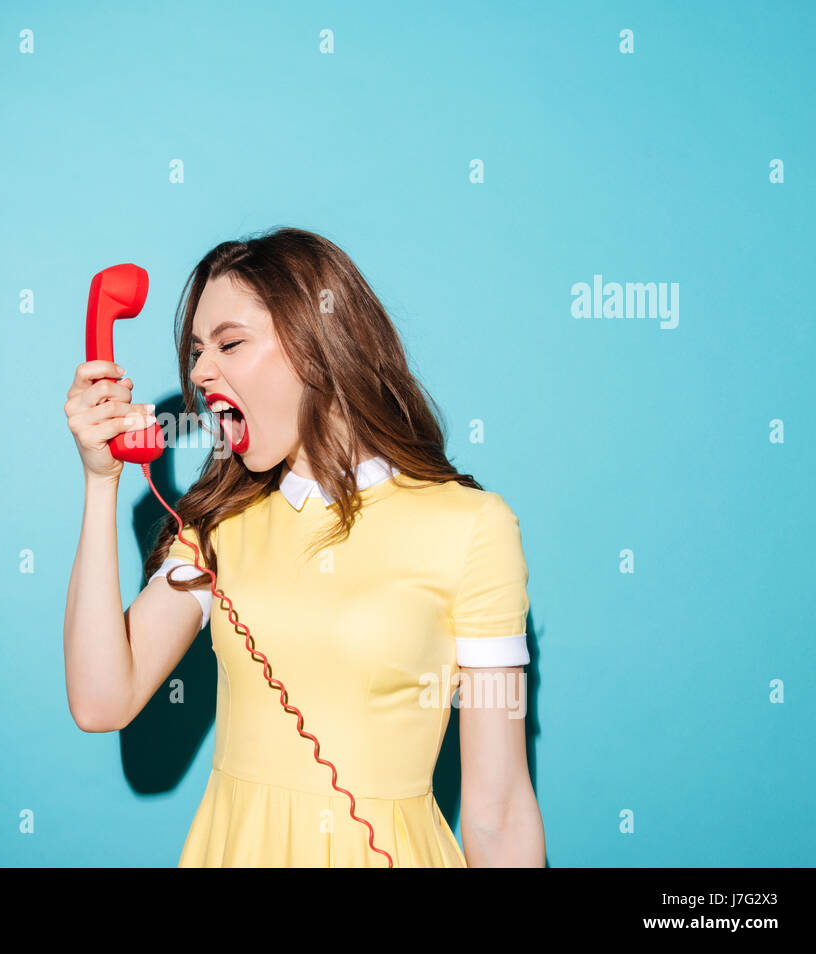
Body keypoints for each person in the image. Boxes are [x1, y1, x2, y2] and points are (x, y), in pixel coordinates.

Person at [63, 226, 545, 867]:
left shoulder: (472, 528)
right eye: (197, 351)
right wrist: (102, 483)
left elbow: (500, 809)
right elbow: (102, 701)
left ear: (317, 344)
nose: (202, 372)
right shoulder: (217, 526)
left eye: (230, 343)